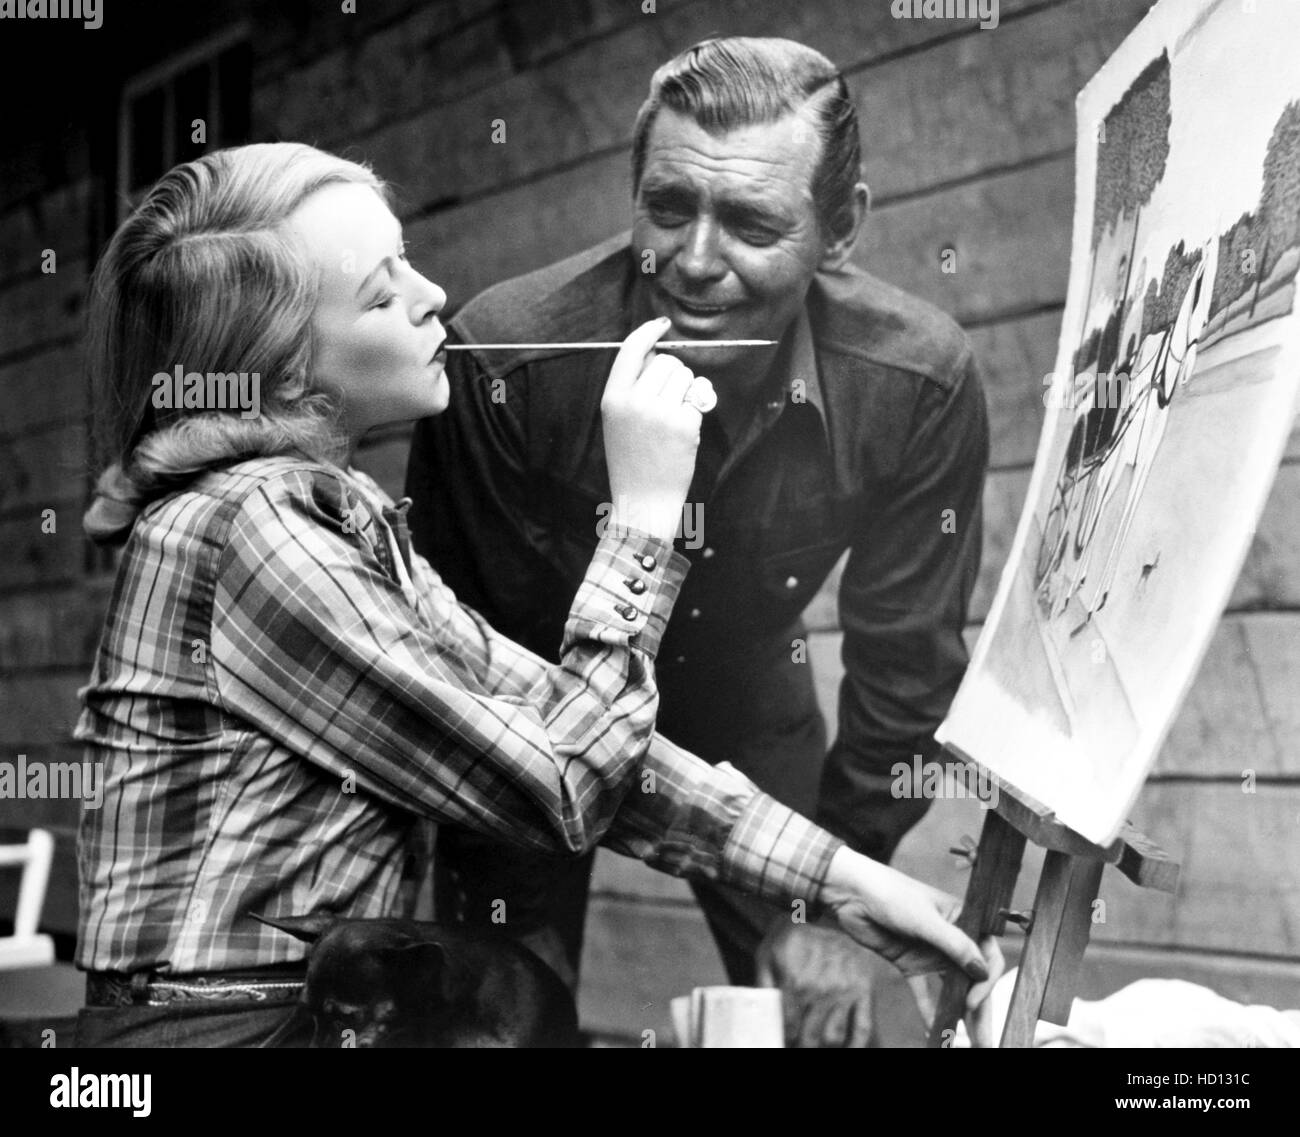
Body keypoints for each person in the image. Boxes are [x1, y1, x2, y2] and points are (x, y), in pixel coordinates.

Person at [72, 141, 997, 1048]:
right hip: (214, 1031)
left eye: (408, 261)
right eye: (382, 289)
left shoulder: (324, 516)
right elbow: (564, 785)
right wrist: (642, 512)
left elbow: (554, 723)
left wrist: (840, 878)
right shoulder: (254, 531)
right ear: (279, 363)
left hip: (306, 1010)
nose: (433, 295)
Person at [404, 36, 991, 1025]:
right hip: (524, 713)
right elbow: (468, 671)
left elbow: (907, 665)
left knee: (819, 1007)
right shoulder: (502, 359)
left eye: (753, 223)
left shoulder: (916, 385)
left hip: (747, 696)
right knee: (496, 1018)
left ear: (839, 228)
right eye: (667, 208)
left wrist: (834, 892)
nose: (694, 260)